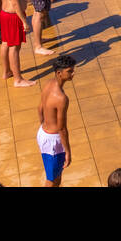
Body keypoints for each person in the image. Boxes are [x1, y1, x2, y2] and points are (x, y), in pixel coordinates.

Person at [37, 54, 76, 186]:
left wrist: (44, 125)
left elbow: (40, 108)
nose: (73, 73)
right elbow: (61, 128)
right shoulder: (61, 98)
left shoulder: (48, 84)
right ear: (59, 73)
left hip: (43, 134)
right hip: (53, 142)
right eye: (70, 71)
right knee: (52, 180)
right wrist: (68, 152)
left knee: (57, 176)